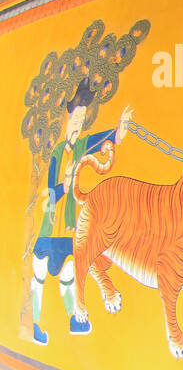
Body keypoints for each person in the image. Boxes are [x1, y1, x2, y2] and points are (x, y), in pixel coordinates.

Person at [29, 79, 131, 344]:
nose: (78, 123)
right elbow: (51, 189)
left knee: (69, 276)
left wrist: (119, 131)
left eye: (82, 118)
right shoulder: (58, 152)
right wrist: (63, 187)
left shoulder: (83, 146)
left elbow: (107, 140)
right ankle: (35, 323)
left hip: (71, 227)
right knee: (39, 274)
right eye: (76, 117)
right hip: (51, 226)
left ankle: (75, 319)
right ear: (68, 119)